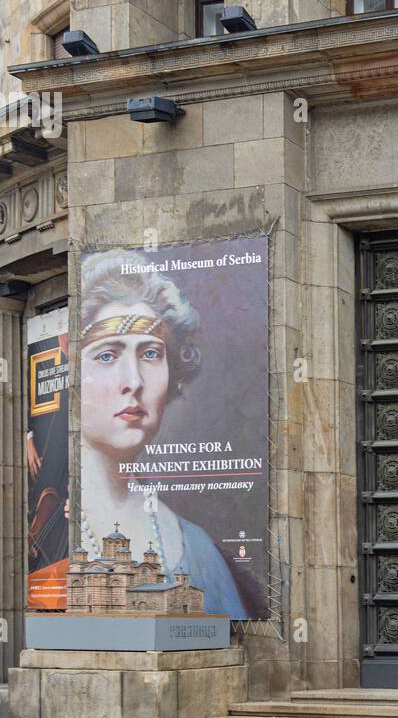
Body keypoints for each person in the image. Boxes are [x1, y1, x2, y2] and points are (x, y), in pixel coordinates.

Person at [80, 249, 265, 619]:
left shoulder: (198, 550)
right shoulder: (43, 522)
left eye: (150, 354)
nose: (132, 382)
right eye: (106, 356)